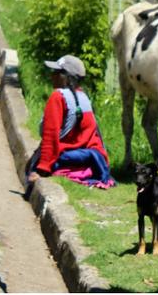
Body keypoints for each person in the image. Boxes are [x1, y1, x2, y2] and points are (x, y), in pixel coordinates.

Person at [25, 55, 115, 195]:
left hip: (65, 160)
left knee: (30, 167)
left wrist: (42, 169)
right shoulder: (84, 97)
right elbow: (94, 136)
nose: (52, 75)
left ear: (65, 77)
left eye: (56, 72)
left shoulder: (58, 97)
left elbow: (51, 135)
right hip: (87, 162)